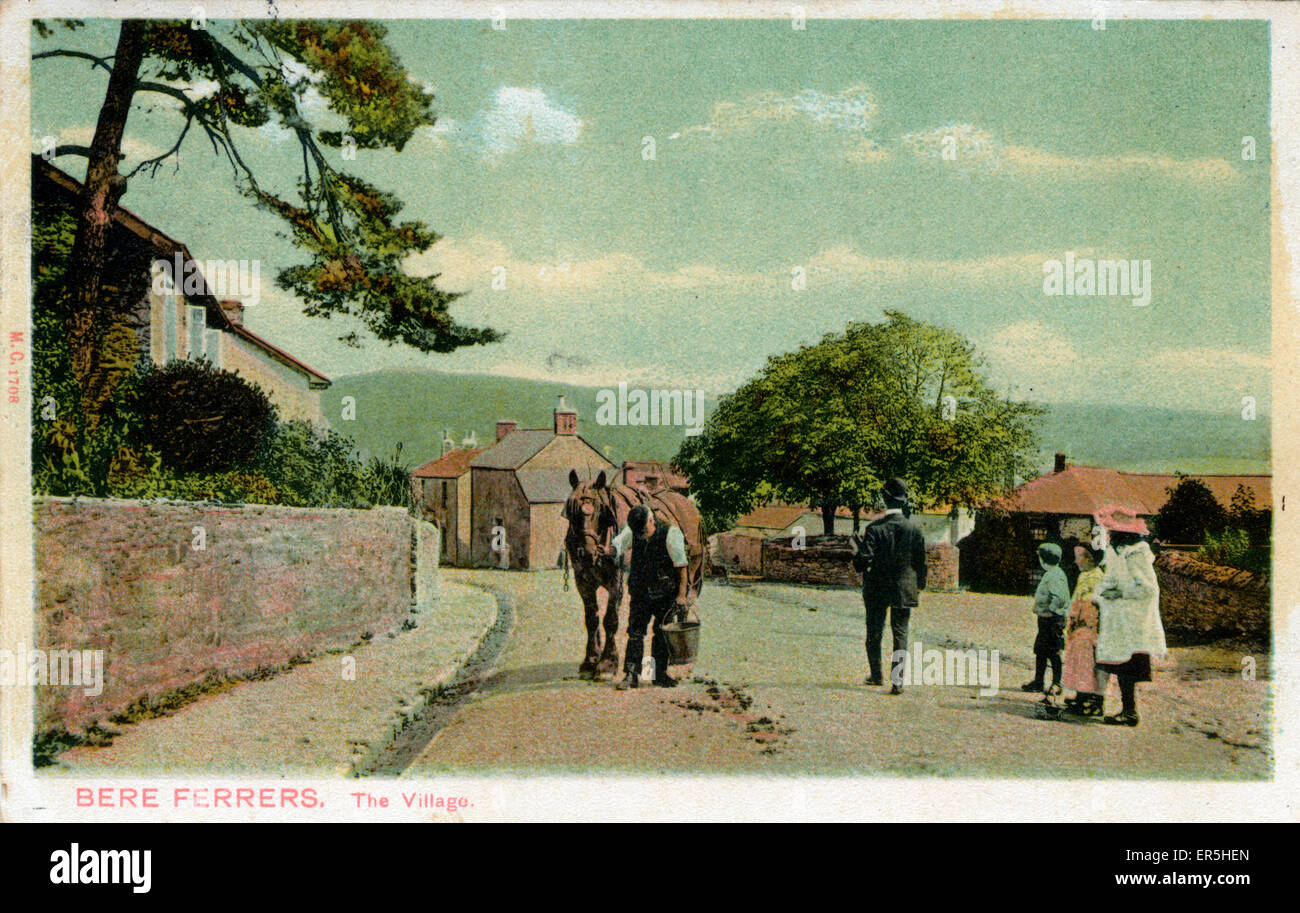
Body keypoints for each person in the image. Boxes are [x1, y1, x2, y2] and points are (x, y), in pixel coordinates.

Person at [850, 478, 927, 694]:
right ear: (903, 502)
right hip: (904, 588)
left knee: (874, 632)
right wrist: (919, 585)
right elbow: (922, 562)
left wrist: (856, 552)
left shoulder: (874, 529)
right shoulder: (915, 529)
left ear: (885, 499)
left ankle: (876, 676)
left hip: (877, 588)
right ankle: (897, 682)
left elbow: (862, 561)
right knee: (900, 634)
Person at [1092, 505, 1165, 727]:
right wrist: (1098, 594)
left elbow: (1147, 589)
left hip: (1134, 621)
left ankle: (1130, 712)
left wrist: (1120, 592)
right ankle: (1126, 710)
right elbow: (1111, 578)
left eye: (1111, 530)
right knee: (1119, 664)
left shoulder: (1137, 554)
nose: (1108, 533)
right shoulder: (1115, 552)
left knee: (1127, 667)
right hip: (1119, 618)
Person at [605, 504, 690, 690]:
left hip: (664, 593)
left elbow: (681, 566)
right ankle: (632, 674)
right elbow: (620, 544)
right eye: (639, 533)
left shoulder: (670, 534)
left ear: (651, 521)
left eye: (644, 531)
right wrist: (609, 550)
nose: (641, 536)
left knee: (660, 634)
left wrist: (682, 595)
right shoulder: (634, 529)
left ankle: (656, 675)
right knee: (635, 633)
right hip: (640, 592)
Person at [1061, 543, 1107, 716]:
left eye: (1079, 556)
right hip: (1079, 628)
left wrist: (1077, 619)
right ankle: (1081, 695)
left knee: (1089, 664)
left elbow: (1090, 604)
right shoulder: (1084, 576)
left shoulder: (1096, 577)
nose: (1076, 561)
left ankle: (1092, 700)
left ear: (1090, 558)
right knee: (1080, 663)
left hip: (1088, 628)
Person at [1021, 542, 1070, 697]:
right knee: (1041, 650)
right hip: (1045, 619)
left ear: (1043, 559)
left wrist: (1051, 611)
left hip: (1053, 620)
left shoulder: (1055, 575)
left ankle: (1056, 683)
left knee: (1054, 651)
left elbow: (1060, 598)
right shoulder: (1051, 573)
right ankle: (1038, 681)